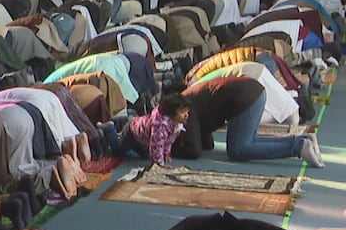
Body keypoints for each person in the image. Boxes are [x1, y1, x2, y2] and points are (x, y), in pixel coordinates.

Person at [174, 76, 323, 167]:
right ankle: (302, 140)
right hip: (253, 91)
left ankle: (298, 147)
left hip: (246, 96)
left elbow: (194, 151)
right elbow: (207, 144)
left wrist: (171, 149)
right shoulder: (191, 100)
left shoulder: (184, 107)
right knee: (248, 140)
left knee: (238, 150)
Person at [110, 94, 191, 166]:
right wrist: (160, 165)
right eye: (182, 112)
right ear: (171, 112)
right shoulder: (160, 126)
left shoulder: (177, 124)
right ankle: (109, 129)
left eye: (187, 111)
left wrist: (166, 155)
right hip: (132, 131)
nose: (186, 115)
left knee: (146, 156)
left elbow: (168, 141)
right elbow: (157, 145)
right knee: (118, 153)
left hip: (143, 138)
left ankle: (134, 144)